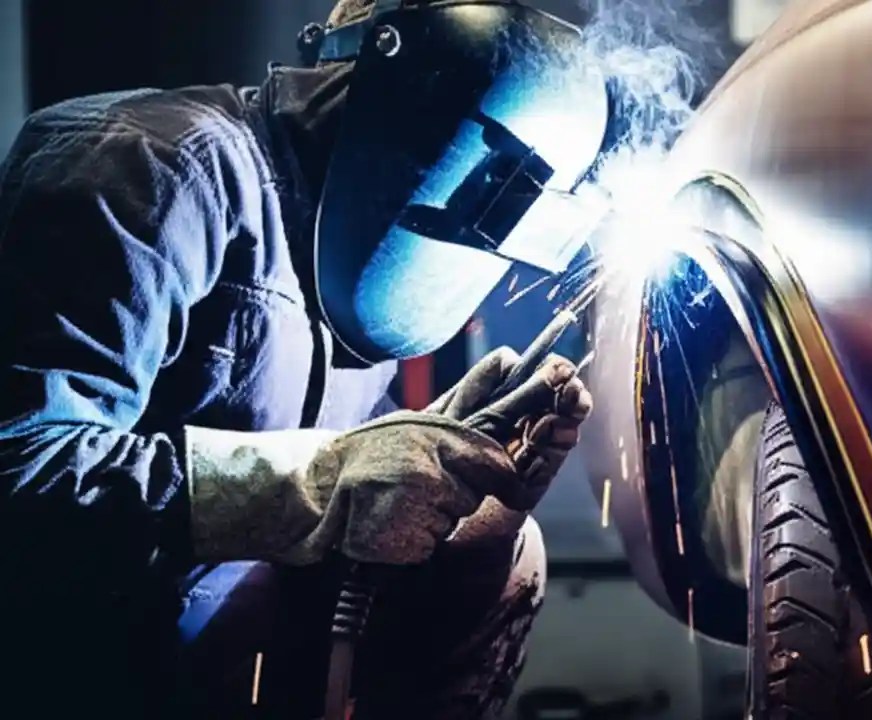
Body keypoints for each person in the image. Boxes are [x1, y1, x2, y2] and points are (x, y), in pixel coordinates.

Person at [0, 0, 609, 717]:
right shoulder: (156, 170)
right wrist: (317, 484)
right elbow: (22, 468)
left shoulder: (352, 254)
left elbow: (323, 468)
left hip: (226, 669)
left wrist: (428, 471)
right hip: (73, 677)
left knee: (499, 548)